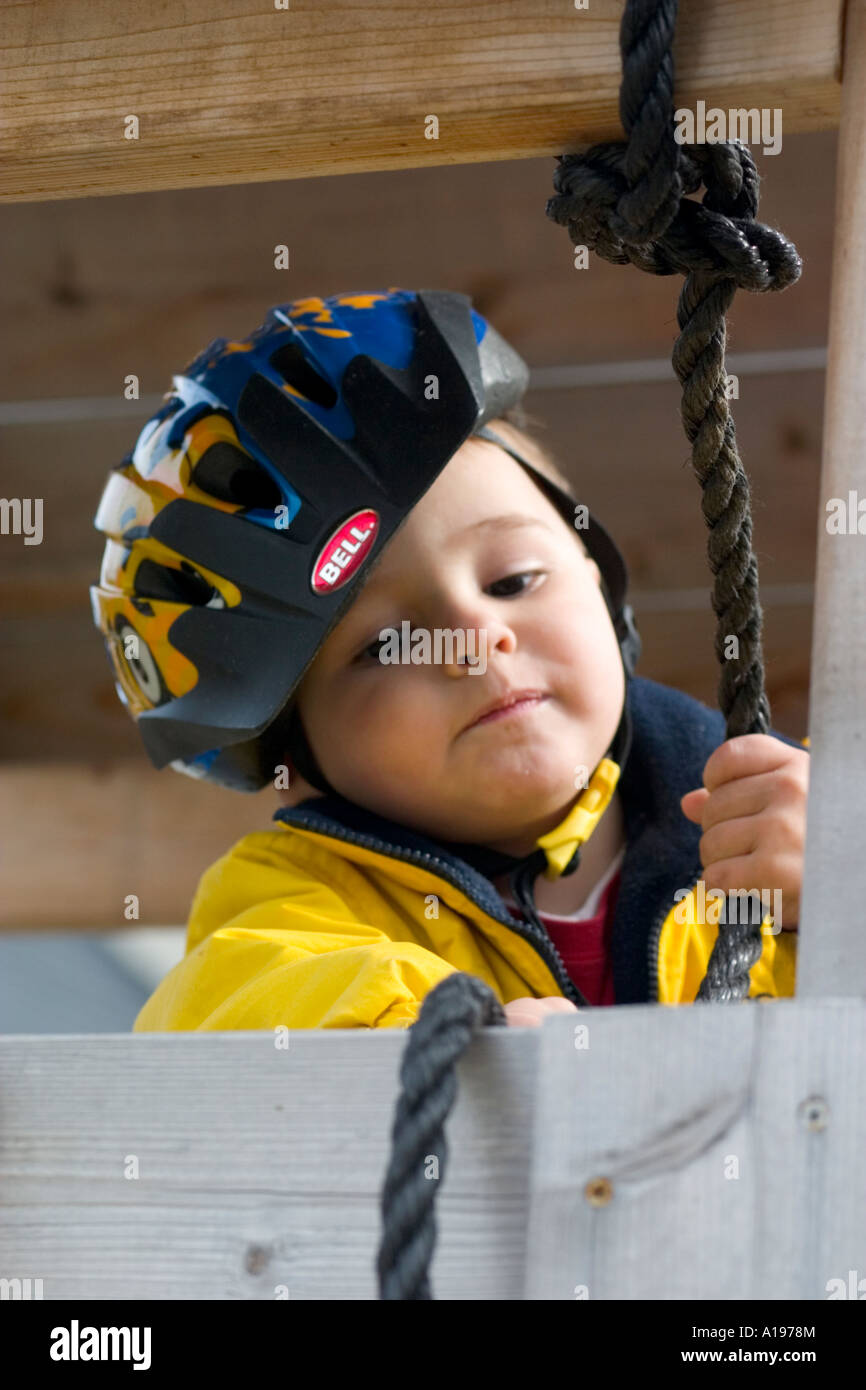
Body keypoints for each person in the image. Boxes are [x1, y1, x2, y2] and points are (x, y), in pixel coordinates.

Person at [90, 288, 809, 1032]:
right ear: (291, 755)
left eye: (514, 581)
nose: (473, 640)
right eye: (382, 645)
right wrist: (443, 1034)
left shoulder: (802, 811)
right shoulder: (291, 904)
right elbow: (225, 1012)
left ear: (598, 579)